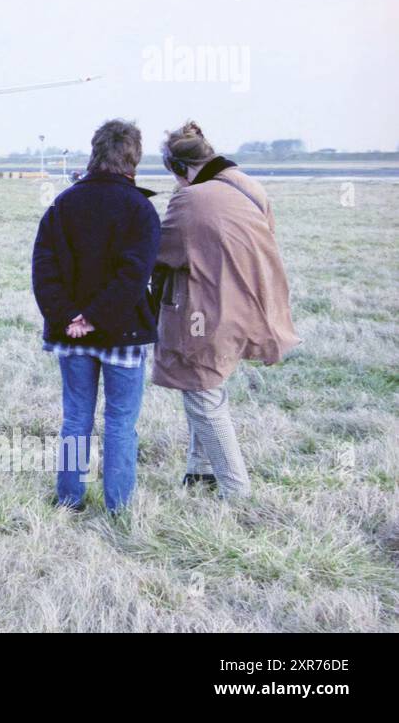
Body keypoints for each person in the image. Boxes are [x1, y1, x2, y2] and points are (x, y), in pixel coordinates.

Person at [154, 121, 300, 498]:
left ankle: (236, 492)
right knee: (205, 386)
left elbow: (163, 251)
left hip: (205, 312)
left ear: (179, 168)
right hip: (250, 306)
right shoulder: (251, 186)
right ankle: (200, 472)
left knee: (203, 397)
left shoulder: (192, 197)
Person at [31, 120, 160, 514]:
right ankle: (118, 508)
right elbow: (134, 276)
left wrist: (71, 316)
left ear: (94, 152)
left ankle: (69, 500)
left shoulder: (63, 203)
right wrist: (95, 317)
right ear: (133, 158)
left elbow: (44, 267)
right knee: (121, 423)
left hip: (71, 335)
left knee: (76, 419)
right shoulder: (141, 209)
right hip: (122, 332)